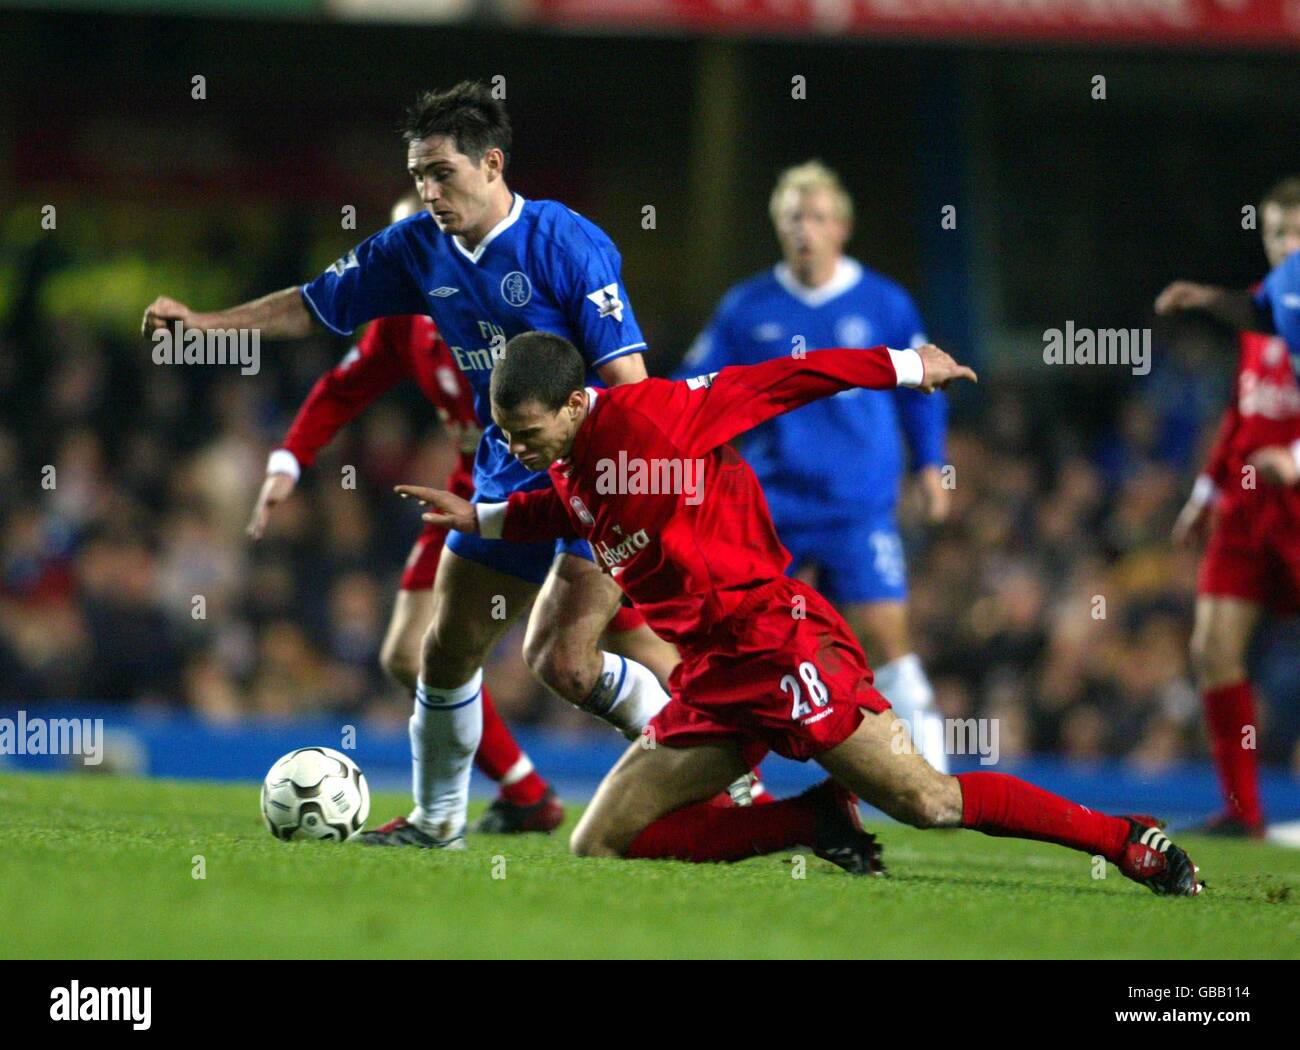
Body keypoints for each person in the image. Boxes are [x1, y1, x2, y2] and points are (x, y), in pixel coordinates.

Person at [398, 331, 1204, 897]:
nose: (519, 450)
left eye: (527, 434)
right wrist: (483, 519)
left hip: (778, 645)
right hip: (712, 672)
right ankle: (811, 818)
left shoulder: (658, 414)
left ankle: (1126, 839)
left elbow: (784, 379)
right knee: (601, 840)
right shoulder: (570, 462)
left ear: (575, 403)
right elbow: (566, 512)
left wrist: (902, 366)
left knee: (929, 803)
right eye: (508, 438)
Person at [144, 81, 683, 849]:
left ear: (492, 164)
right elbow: (312, 304)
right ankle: (437, 824)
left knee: (565, 663)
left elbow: (631, 388)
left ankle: (717, 773)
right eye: (420, 174)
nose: (429, 190)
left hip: (589, 480)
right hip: (499, 476)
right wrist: (202, 324)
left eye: (443, 173)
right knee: (443, 650)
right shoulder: (414, 248)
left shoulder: (567, 243)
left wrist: (634, 489)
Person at [245, 197, 563, 833]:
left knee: (601, 647)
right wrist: (288, 462)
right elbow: (345, 388)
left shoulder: (512, 301)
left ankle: (725, 781)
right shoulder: (401, 325)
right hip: (470, 492)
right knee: (407, 656)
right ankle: (525, 793)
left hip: (557, 485)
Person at [681, 162, 948, 771]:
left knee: (886, 637)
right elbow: (693, 390)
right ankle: (725, 772)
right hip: (772, 506)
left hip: (858, 505)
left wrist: (932, 466)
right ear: (778, 226)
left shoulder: (884, 302)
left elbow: (921, 387)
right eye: (794, 217)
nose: (806, 229)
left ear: (843, 228)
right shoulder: (746, 308)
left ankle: (937, 781)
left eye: (818, 217)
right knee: (738, 637)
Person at [1157, 176, 1300, 836]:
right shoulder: (1267, 308)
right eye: (1277, 233)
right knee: (1213, 647)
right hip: (1248, 513)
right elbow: (1240, 415)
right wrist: (1204, 494)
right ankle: (1243, 812)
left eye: (1297, 232)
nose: (1287, 244)